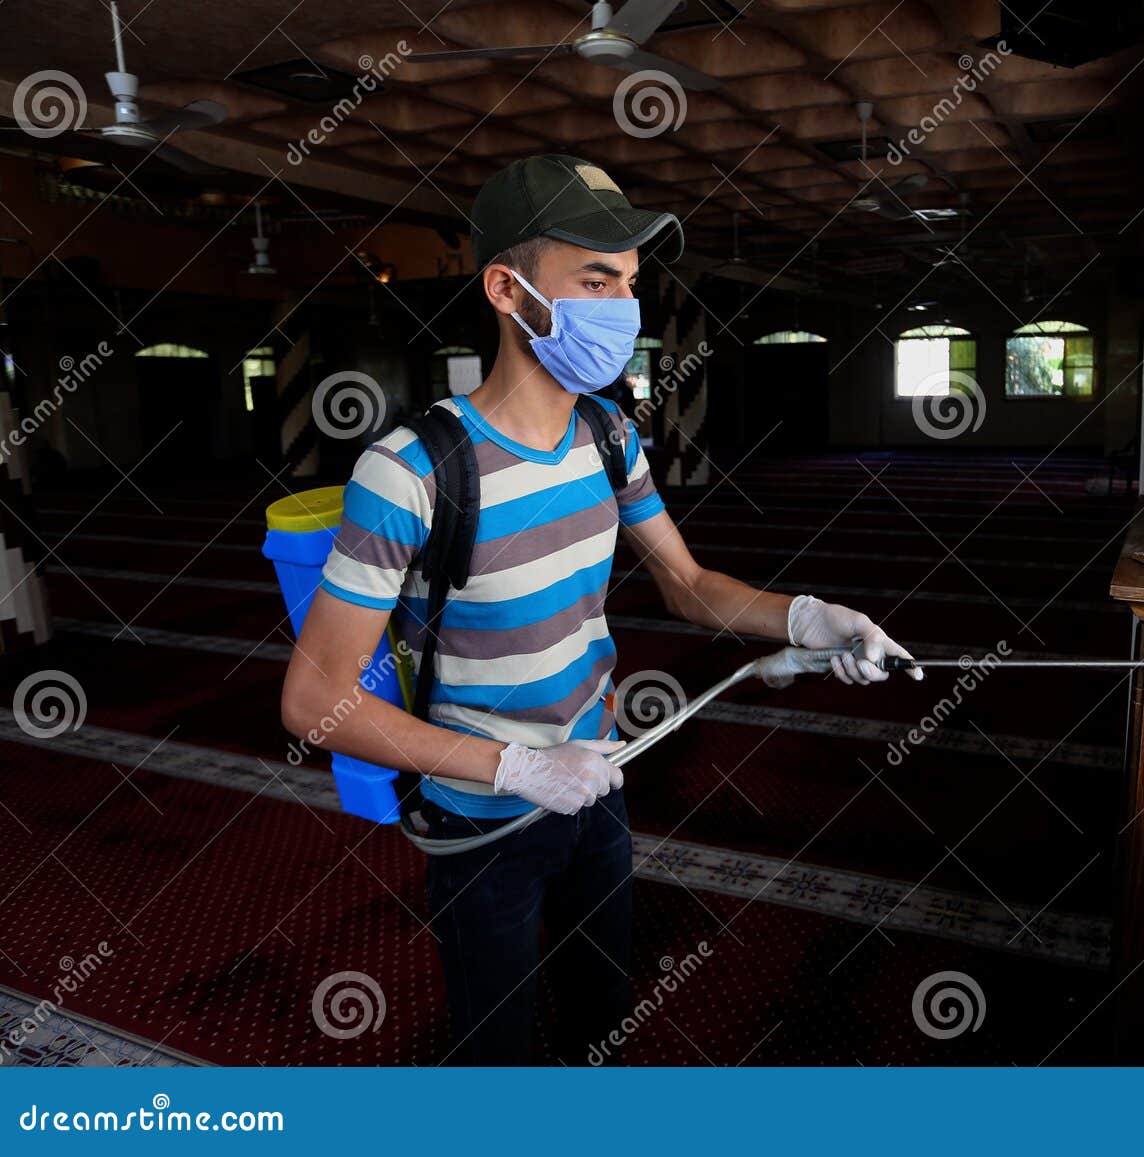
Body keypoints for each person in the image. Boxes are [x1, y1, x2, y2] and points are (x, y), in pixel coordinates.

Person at [280, 154, 920, 1065]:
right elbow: (313, 705)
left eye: (628, 282)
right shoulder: (413, 468)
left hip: (597, 785)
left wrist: (808, 617)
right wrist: (513, 769)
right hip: (481, 817)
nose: (623, 307)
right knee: (494, 1048)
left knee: (600, 1018)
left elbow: (690, 585)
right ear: (507, 288)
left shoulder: (610, 437)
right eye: (594, 279)